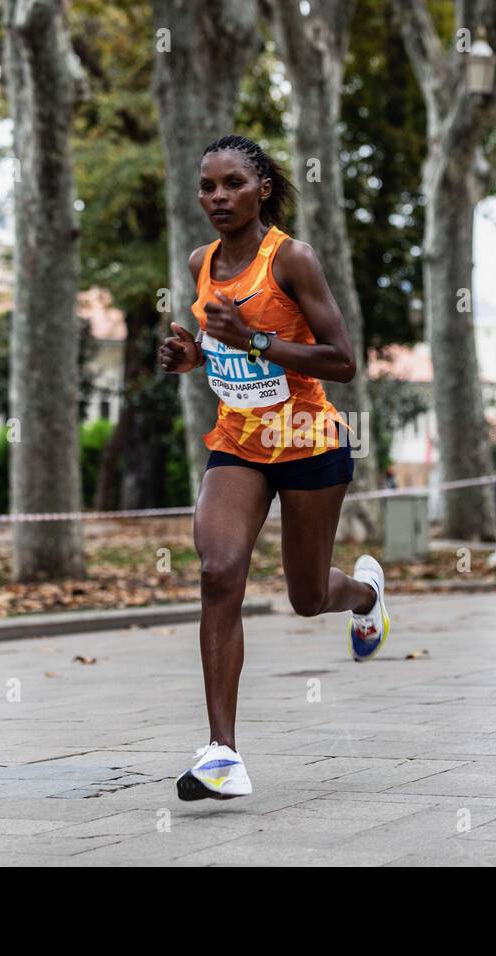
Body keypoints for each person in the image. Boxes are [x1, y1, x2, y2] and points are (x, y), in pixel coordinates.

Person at [157, 134, 387, 801]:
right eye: (207, 186)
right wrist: (192, 357)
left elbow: (343, 360)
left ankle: (367, 595)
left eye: (232, 183)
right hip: (238, 443)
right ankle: (222, 755)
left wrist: (256, 340)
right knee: (219, 570)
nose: (218, 197)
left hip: (309, 441)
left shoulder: (292, 259)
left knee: (308, 598)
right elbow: (216, 343)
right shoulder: (201, 260)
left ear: (261, 188)